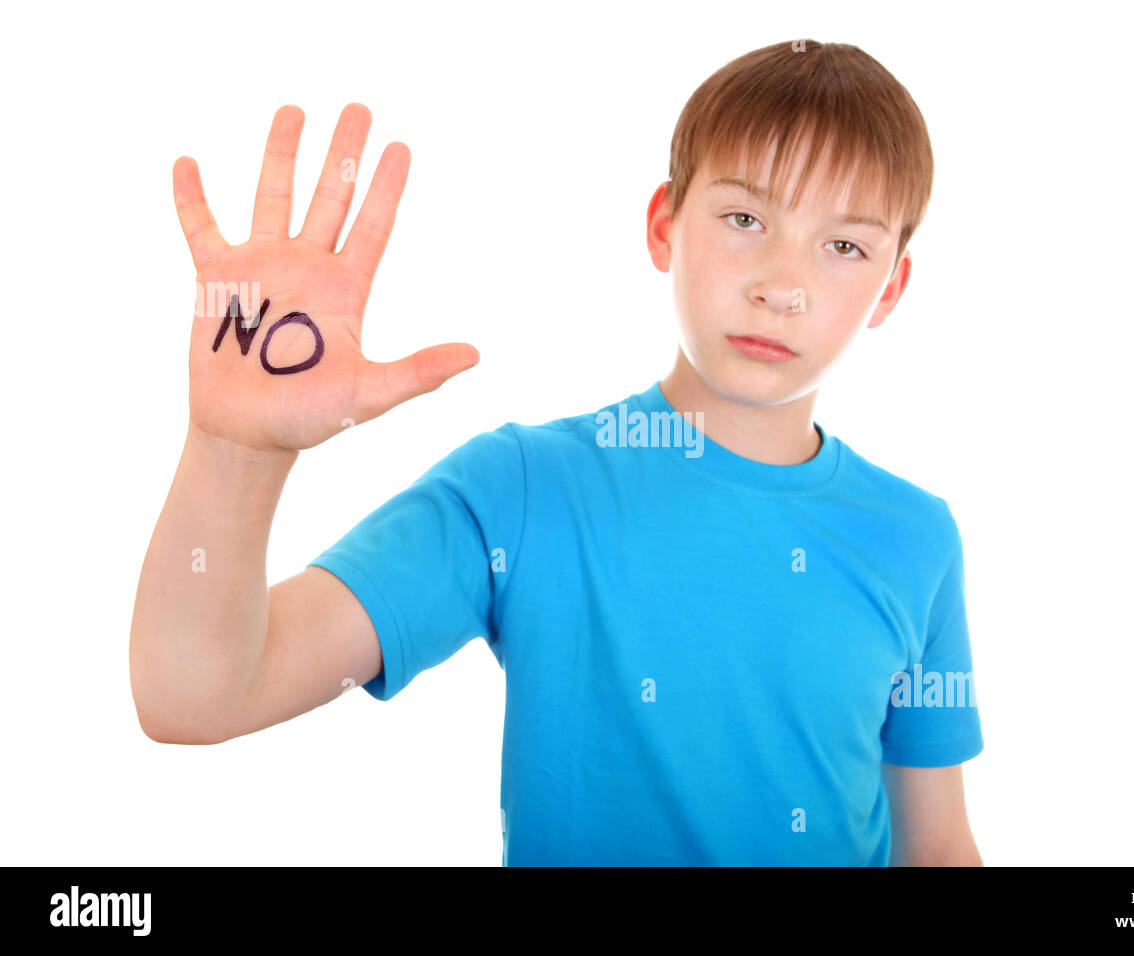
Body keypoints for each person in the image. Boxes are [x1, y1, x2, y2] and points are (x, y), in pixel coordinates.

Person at [131, 39, 985, 866]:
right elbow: (196, 696)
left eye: (843, 246)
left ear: (891, 288)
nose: (781, 283)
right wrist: (233, 448)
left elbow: (937, 848)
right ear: (664, 226)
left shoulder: (916, 537)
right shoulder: (524, 489)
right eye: (744, 217)